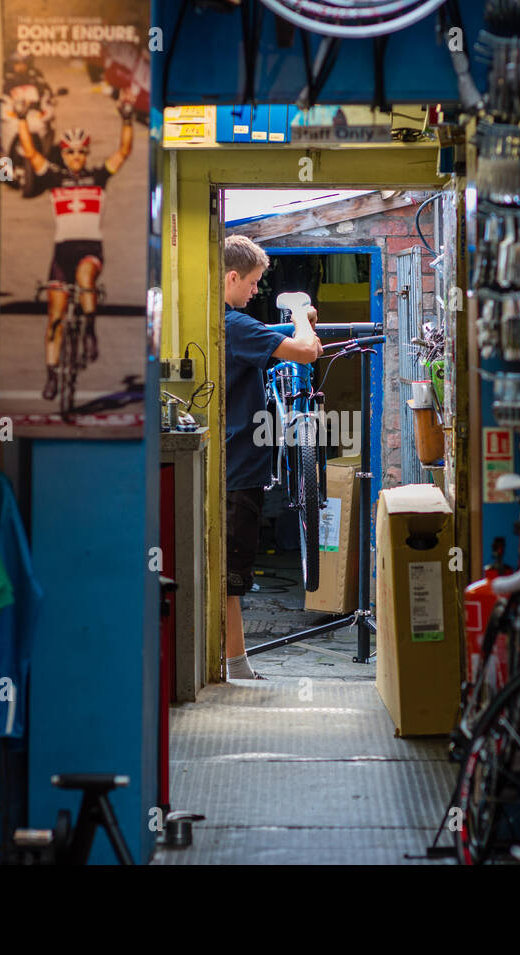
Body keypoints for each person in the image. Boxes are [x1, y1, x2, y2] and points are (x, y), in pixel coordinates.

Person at [223, 235, 322, 681]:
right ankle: (236, 666)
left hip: (237, 467)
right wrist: (300, 316)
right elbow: (305, 351)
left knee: (233, 570)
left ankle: (231, 664)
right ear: (231, 277)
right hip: (237, 470)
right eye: (254, 282)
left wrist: (296, 325)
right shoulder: (232, 324)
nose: (256, 291)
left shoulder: (227, 325)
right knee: (233, 575)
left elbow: (275, 338)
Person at [15, 99, 133, 402]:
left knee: (85, 276)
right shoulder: (55, 177)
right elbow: (30, 152)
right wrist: (20, 118)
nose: (77, 156)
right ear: (64, 153)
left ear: (86, 154)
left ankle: (90, 329)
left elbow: (122, 153)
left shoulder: (98, 176)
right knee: (54, 316)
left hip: (90, 249)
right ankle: (53, 374)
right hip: (61, 252)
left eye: (82, 151)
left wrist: (128, 120)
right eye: (71, 151)